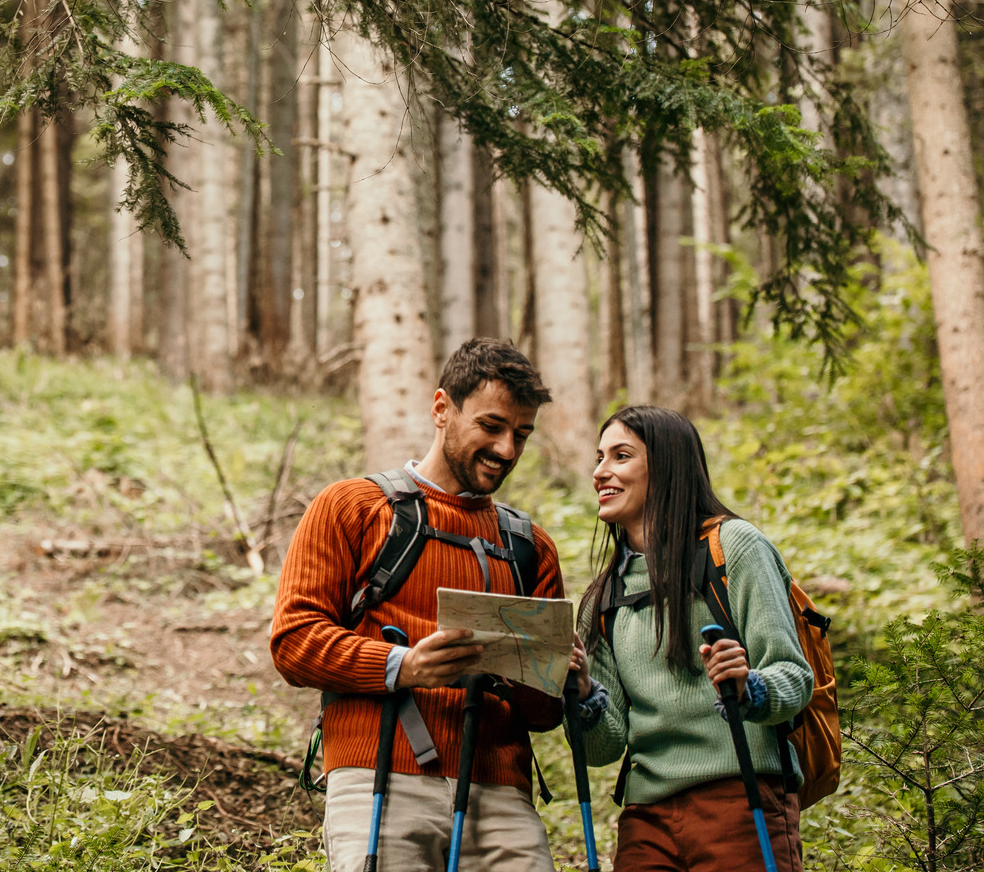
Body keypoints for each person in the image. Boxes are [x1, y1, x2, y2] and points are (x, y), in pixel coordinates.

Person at [272, 338, 585, 872]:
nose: (507, 450)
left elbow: (543, 714)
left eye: (522, 434)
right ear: (442, 408)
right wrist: (406, 665)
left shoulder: (530, 546)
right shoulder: (352, 508)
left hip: (502, 795)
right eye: (491, 426)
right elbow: (294, 641)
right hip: (378, 777)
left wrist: (555, 673)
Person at [568, 405, 814, 871]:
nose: (600, 472)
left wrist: (748, 687)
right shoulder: (602, 596)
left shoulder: (733, 547)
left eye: (621, 456)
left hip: (742, 798)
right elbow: (602, 750)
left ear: (667, 465)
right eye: (599, 458)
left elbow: (794, 677)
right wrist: (582, 697)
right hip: (645, 819)